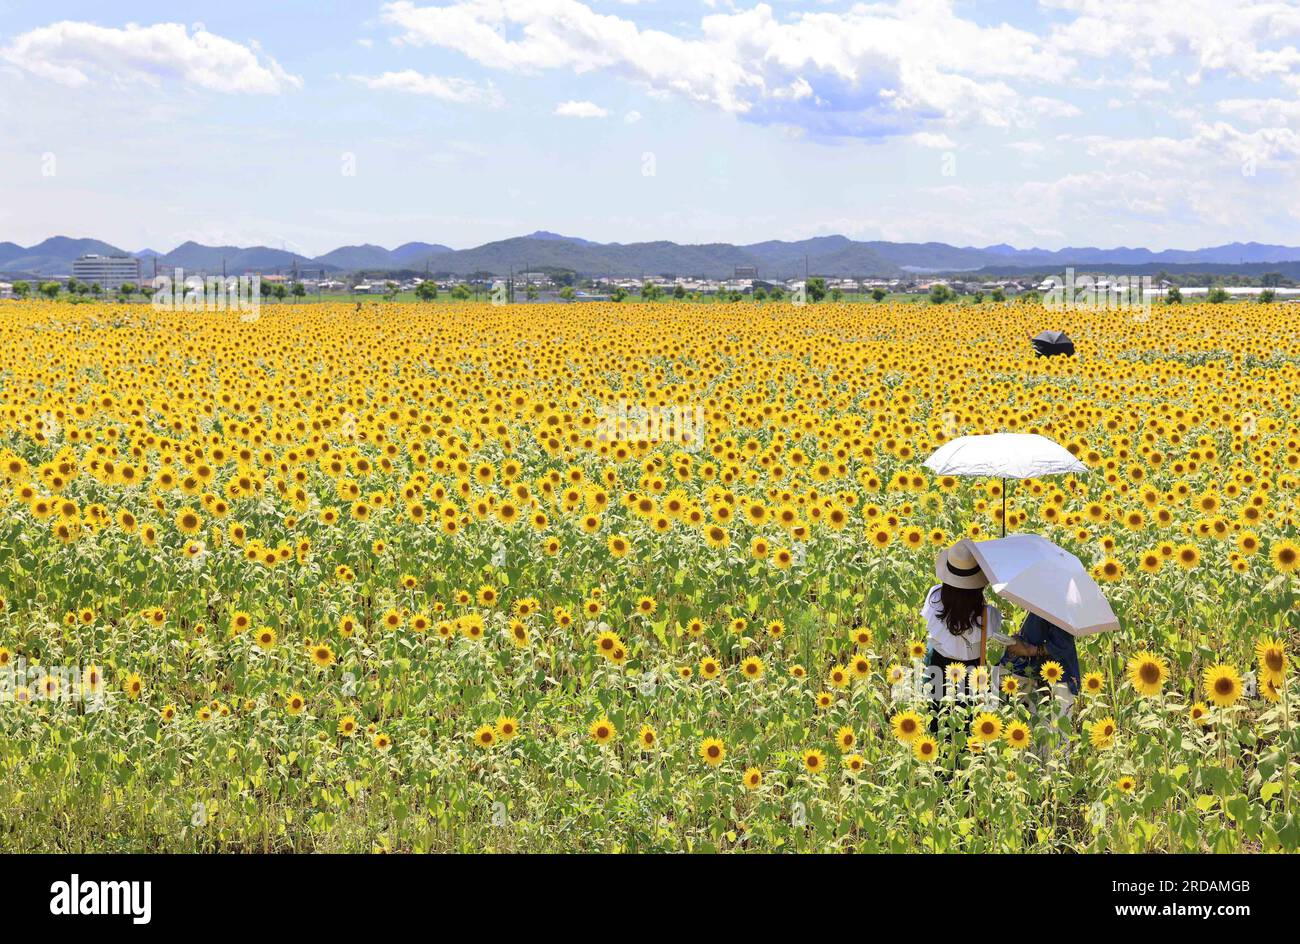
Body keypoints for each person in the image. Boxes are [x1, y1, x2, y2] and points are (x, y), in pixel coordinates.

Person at [922, 539, 1003, 678]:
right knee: (967, 700)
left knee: (934, 698)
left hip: (936, 663)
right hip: (971, 670)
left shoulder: (934, 596)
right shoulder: (987, 614)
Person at [1000, 612, 1081, 717]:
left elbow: (1063, 644)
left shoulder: (1058, 605)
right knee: (1037, 725)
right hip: (1037, 677)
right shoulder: (1041, 602)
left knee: (1056, 728)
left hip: (1059, 680)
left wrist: (1029, 650)